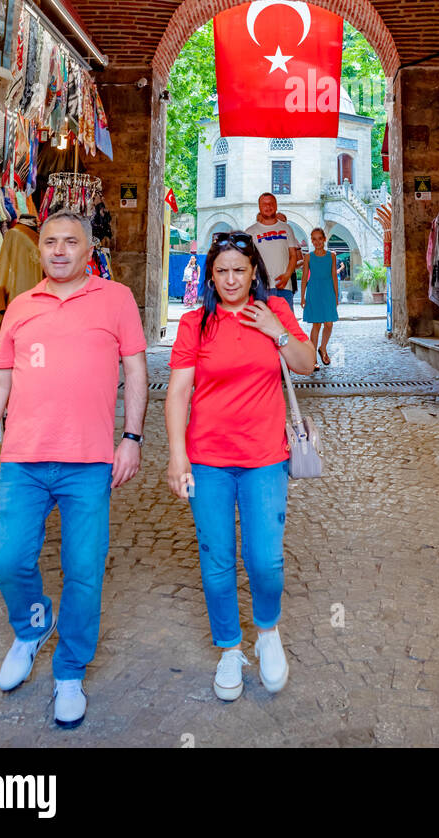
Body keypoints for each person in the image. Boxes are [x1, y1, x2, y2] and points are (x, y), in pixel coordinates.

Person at [0, 210, 148, 729]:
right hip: (23, 458)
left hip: (89, 461)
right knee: (8, 557)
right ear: (37, 249)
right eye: (50, 242)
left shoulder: (116, 300)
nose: (60, 250)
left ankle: (69, 672)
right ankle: (31, 625)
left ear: (90, 250)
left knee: (84, 571)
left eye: (71, 242)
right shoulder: (20, 307)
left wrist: (131, 437)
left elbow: (135, 368)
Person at [165, 231, 315, 702]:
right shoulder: (195, 324)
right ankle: (230, 648)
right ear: (211, 275)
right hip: (208, 459)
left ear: (255, 274)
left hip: (265, 457)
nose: (231, 280)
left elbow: (307, 363)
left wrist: (276, 329)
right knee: (216, 561)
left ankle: (267, 632)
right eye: (222, 271)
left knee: (265, 559)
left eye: (240, 271)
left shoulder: (276, 313)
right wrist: (176, 454)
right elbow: (178, 392)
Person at [245, 193, 300, 312]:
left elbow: (293, 256)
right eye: (264, 204)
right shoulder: (250, 232)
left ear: (276, 205)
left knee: (286, 327)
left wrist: (287, 276)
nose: (268, 206)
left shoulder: (286, 228)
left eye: (271, 203)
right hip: (261, 288)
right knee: (262, 327)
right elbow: (246, 262)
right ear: (259, 207)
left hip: (285, 286)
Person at [301, 228, 339, 368]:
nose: (317, 242)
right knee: (316, 324)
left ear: (324, 239)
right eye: (314, 239)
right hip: (314, 291)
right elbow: (305, 277)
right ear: (312, 241)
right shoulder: (308, 257)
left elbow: (334, 276)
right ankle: (313, 359)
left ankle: (323, 348)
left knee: (329, 323)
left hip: (328, 291)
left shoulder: (332, 256)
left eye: (319, 238)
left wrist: (337, 295)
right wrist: (303, 296)